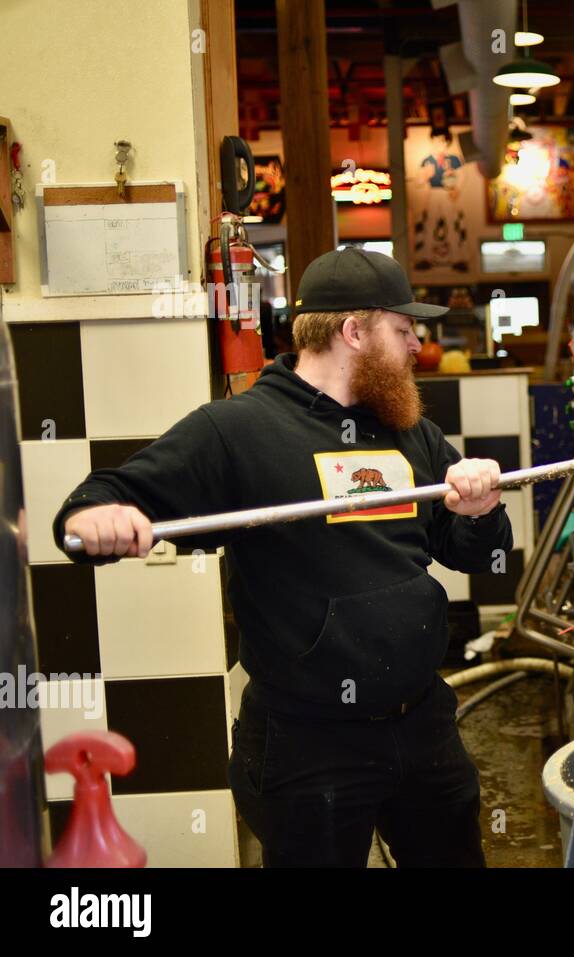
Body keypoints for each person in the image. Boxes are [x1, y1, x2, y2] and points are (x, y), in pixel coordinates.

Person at [54, 247, 512, 867]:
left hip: (422, 723)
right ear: (354, 332)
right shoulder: (236, 431)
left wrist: (483, 510)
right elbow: (105, 497)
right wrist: (93, 516)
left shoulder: (408, 430)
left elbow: (471, 557)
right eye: (403, 330)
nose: (415, 346)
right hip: (307, 743)